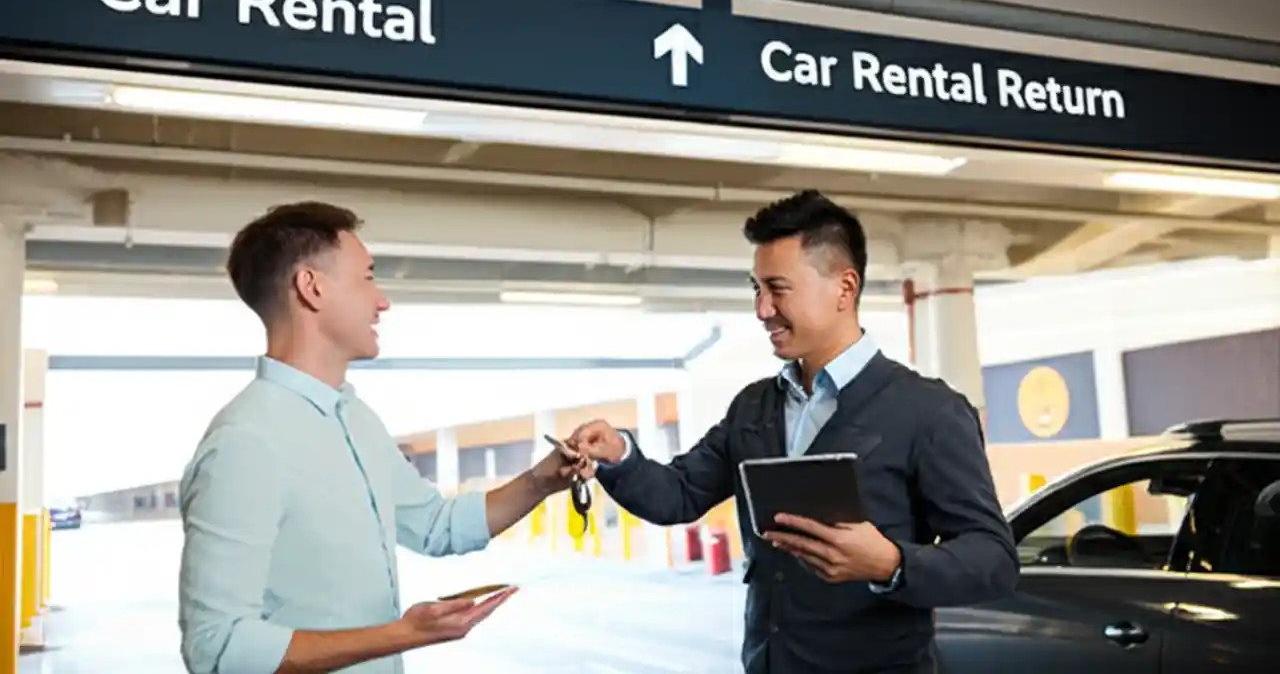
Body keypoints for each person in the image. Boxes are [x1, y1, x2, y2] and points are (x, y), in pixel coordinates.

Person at [568, 190, 1019, 674]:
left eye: (777, 289)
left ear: (845, 289)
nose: (762, 310)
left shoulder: (930, 411)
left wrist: (892, 563)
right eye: (756, 289)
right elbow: (677, 494)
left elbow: (992, 559)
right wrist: (620, 456)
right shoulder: (753, 407)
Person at [177, 201, 585, 674]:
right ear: (312, 287)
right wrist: (403, 635)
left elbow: (436, 525)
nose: (382, 300)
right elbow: (217, 647)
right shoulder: (245, 443)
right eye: (367, 277)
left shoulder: (355, 418)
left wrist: (543, 480)